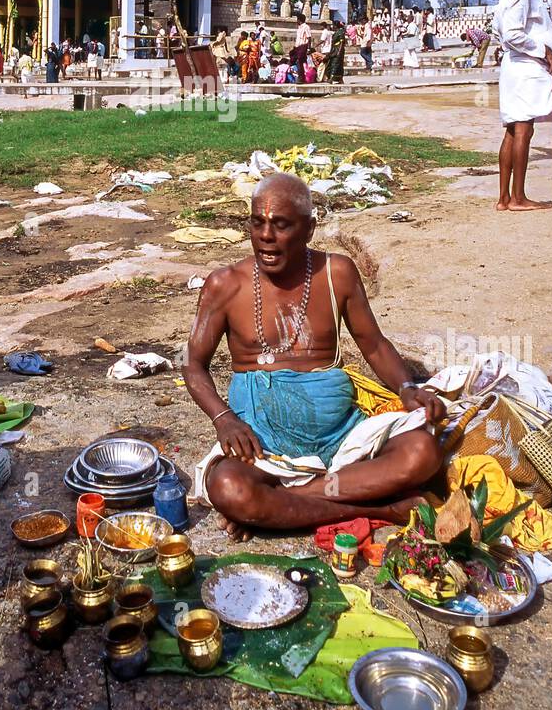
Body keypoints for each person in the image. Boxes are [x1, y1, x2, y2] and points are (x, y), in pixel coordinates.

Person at [184, 173, 444, 539]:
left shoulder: (336, 273)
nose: (266, 237)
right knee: (229, 487)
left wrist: (405, 386)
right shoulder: (225, 284)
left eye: (281, 225)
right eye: (257, 223)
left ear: (309, 229)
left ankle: (284, 503)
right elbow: (192, 363)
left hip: (341, 437)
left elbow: (373, 343)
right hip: (262, 445)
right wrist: (224, 419)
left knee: (423, 452)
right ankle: (383, 509)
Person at [492, 0, 552, 212]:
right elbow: (512, 33)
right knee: (522, 129)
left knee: (513, 131)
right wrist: (543, 49)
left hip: (519, 67)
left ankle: (504, 198)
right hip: (524, 67)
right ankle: (518, 198)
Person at [326, 15, 346, 83]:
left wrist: (339, 52)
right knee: (332, 64)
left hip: (338, 50)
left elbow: (342, 43)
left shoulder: (341, 32)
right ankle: (338, 78)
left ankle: (332, 78)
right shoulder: (335, 33)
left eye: (333, 25)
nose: (332, 26)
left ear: (336, 25)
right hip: (334, 50)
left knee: (336, 64)